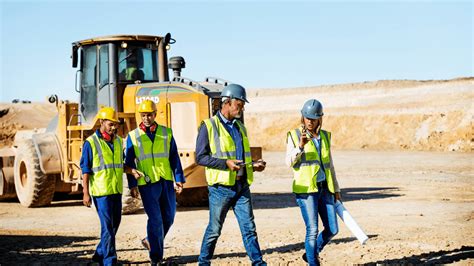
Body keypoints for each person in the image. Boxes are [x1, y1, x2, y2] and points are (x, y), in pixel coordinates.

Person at [196, 84, 267, 265]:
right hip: (220, 189)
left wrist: (254, 165)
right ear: (227, 102)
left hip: (241, 186)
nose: (242, 107)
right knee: (214, 230)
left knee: (249, 228)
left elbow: (242, 157)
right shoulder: (209, 126)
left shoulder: (240, 127)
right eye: (240, 104)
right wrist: (225, 164)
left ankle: (258, 263)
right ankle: (203, 263)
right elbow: (200, 157)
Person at [124, 99, 185, 265]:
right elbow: (129, 163)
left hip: (165, 181)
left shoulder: (166, 133)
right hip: (147, 183)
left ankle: (150, 240)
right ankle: (156, 258)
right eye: (143, 115)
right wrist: (133, 185)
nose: (146, 118)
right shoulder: (133, 136)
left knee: (169, 217)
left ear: (155, 114)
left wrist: (178, 179)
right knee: (156, 219)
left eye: (149, 115)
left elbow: (174, 157)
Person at [286, 99, 341, 266]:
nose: (310, 121)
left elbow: (329, 165)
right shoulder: (294, 136)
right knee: (312, 230)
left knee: (332, 229)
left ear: (319, 119)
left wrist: (336, 189)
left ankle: (311, 253)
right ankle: (312, 262)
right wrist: (300, 147)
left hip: (325, 188)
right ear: (302, 117)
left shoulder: (324, 136)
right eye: (307, 117)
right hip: (306, 191)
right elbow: (289, 162)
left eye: (313, 118)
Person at [80, 106, 123, 266]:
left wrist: (132, 171)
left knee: (114, 225)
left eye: (115, 124)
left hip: (116, 190)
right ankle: (109, 261)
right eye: (110, 124)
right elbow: (85, 169)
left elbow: (120, 164)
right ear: (102, 122)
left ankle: (99, 254)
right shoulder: (91, 143)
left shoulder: (118, 142)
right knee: (107, 227)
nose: (113, 127)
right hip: (101, 192)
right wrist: (85, 193)